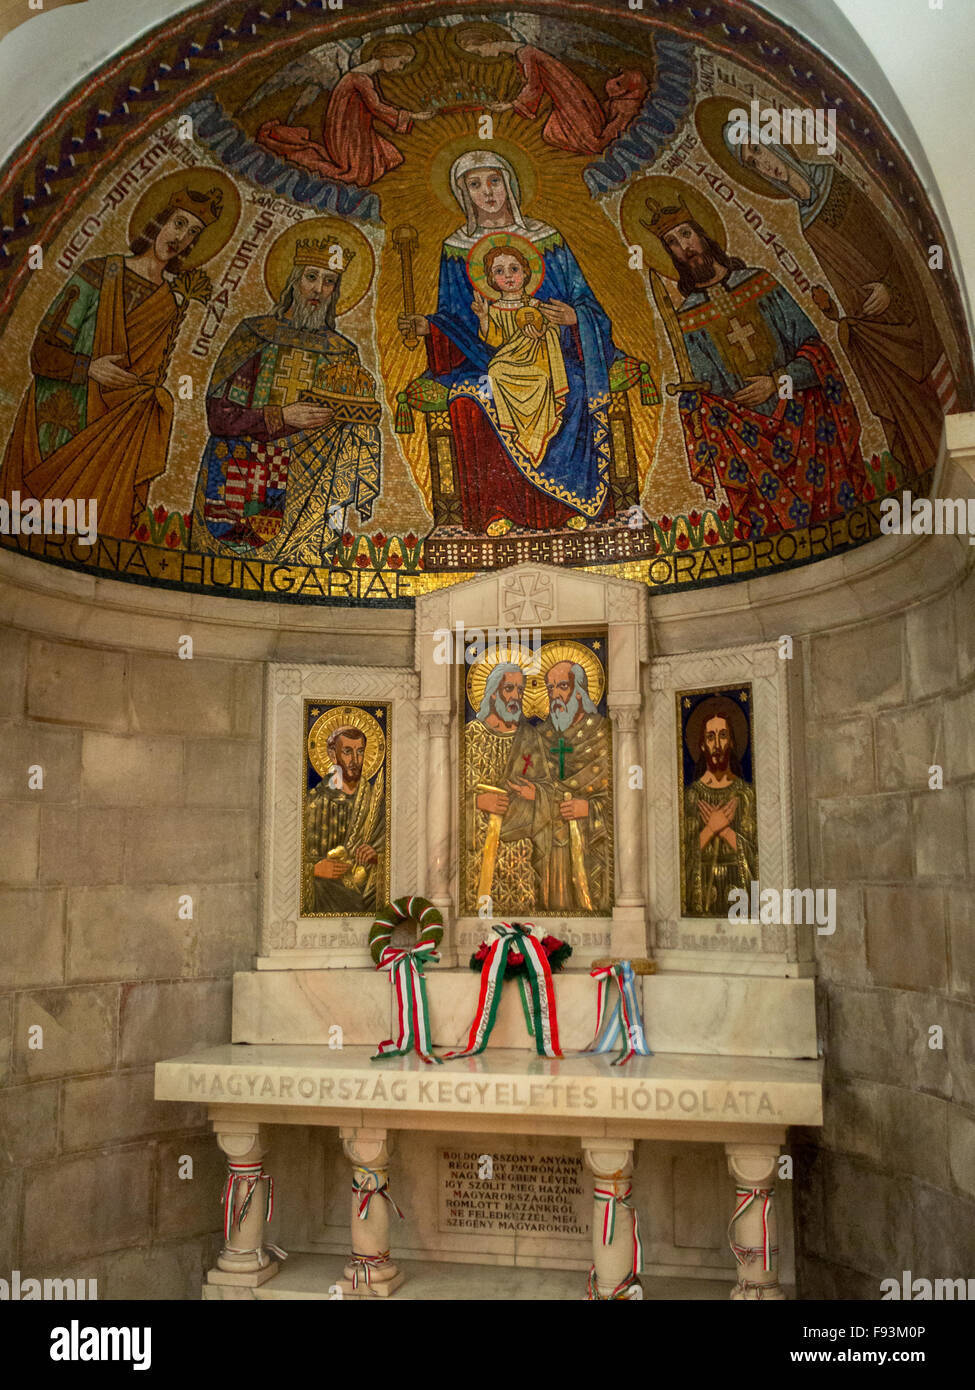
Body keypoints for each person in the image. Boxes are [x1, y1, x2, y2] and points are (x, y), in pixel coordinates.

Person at [397, 149, 620, 535]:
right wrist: (428, 327)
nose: (487, 192)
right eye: (475, 184)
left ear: (510, 184)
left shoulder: (546, 238)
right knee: (470, 401)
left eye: (494, 180)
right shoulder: (456, 248)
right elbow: (452, 317)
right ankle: (495, 511)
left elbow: (585, 300)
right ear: (463, 193)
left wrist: (574, 317)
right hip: (481, 359)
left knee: (576, 388)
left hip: (554, 355)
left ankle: (572, 505)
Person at [722, 128, 949, 475]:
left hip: (901, 320)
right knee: (902, 416)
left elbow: (896, 242)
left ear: (775, 141)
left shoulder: (834, 182)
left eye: (759, 149)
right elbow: (846, 285)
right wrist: (832, 309)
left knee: (929, 404)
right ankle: (925, 478)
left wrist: (890, 287)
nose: (764, 165)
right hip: (869, 333)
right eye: (752, 163)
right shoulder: (803, 217)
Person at [1, 184, 223, 539]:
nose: (181, 238)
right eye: (178, 224)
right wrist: (87, 368)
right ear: (160, 221)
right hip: (60, 423)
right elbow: (40, 353)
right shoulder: (99, 274)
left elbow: (150, 379)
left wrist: (155, 399)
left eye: (193, 232)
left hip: (116, 441)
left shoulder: (169, 304)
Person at [647, 194, 863, 538]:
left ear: (703, 233)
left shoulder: (760, 283)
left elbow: (817, 352)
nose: (684, 247)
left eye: (686, 234)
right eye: (672, 243)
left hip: (807, 426)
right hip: (752, 445)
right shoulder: (688, 317)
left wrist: (778, 382)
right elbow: (710, 394)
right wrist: (694, 404)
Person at [191, 235, 380, 562]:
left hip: (312, 486)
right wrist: (281, 416)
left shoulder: (342, 353)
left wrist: (360, 432)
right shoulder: (254, 335)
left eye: (329, 281)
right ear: (293, 280)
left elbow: (352, 423)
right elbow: (219, 415)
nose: (319, 289)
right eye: (311, 277)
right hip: (244, 472)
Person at [499, 660, 612, 912]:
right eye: (550, 689)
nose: (555, 695)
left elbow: (627, 807)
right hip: (550, 848)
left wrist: (588, 808)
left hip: (589, 848)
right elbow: (515, 789)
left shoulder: (603, 734)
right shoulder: (540, 735)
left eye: (563, 686)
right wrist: (534, 795)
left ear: (581, 691)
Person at [257, 41, 435, 186]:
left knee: (391, 156)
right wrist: (413, 116)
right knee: (358, 175)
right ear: (388, 55)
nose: (400, 68)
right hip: (345, 134)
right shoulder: (360, 78)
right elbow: (377, 108)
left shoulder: (366, 77)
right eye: (401, 62)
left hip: (356, 129)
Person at [473, 241, 569, 466]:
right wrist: (484, 318)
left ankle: (535, 441)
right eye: (499, 271)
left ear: (526, 273)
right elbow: (494, 341)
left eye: (514, 269)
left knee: (543, 379)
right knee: (494, 371)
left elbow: (555, 335)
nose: (508, 276)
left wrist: (542, 333)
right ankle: (517, 437)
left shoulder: (538, 306)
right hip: (507, 361)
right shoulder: (494, 309)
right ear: (491, 279)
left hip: (538, 360)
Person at [682, 698, 757, 917]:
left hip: (738, 888)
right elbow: (682, 855)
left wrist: (725, 831)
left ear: (732, 742)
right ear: (702, 744)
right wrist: (710, 829)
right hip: (702, 887)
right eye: (710, 737)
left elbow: (756, 854)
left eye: (723, 736)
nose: (716, 745)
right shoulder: (692, 796)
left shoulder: (745, 795)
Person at [304, 726, 384, 914]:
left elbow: (397, 855)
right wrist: (313, 870)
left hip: (366, 900)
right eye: (347, 752)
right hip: (324, 901)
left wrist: (376, 857)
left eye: (360, 752)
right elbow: (290, 860)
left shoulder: (377, 803)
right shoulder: (313, 802)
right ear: (333, 755)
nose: (355, 760)